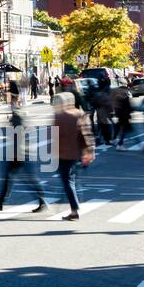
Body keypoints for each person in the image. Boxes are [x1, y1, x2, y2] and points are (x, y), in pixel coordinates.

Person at [0, 93, 47, 212]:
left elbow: (18, 135)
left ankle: (42, 200)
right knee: (13, 177)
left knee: (25, 179)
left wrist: (16, 153)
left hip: (19, 152)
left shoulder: (17, 116)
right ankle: (0, 201)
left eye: (11, 102)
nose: (9, 104)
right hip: (20, 151)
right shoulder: (18, 114)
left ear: (15, 102)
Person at [52, 91, 94, 220]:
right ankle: (73, 204)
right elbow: (86, 134)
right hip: (76, 153)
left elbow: (54, 137)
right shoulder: (80, 114)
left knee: (68, 181)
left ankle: (74, 209)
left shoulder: (58, 116)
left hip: (62, 154)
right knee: (71, 179)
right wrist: (89, 151)